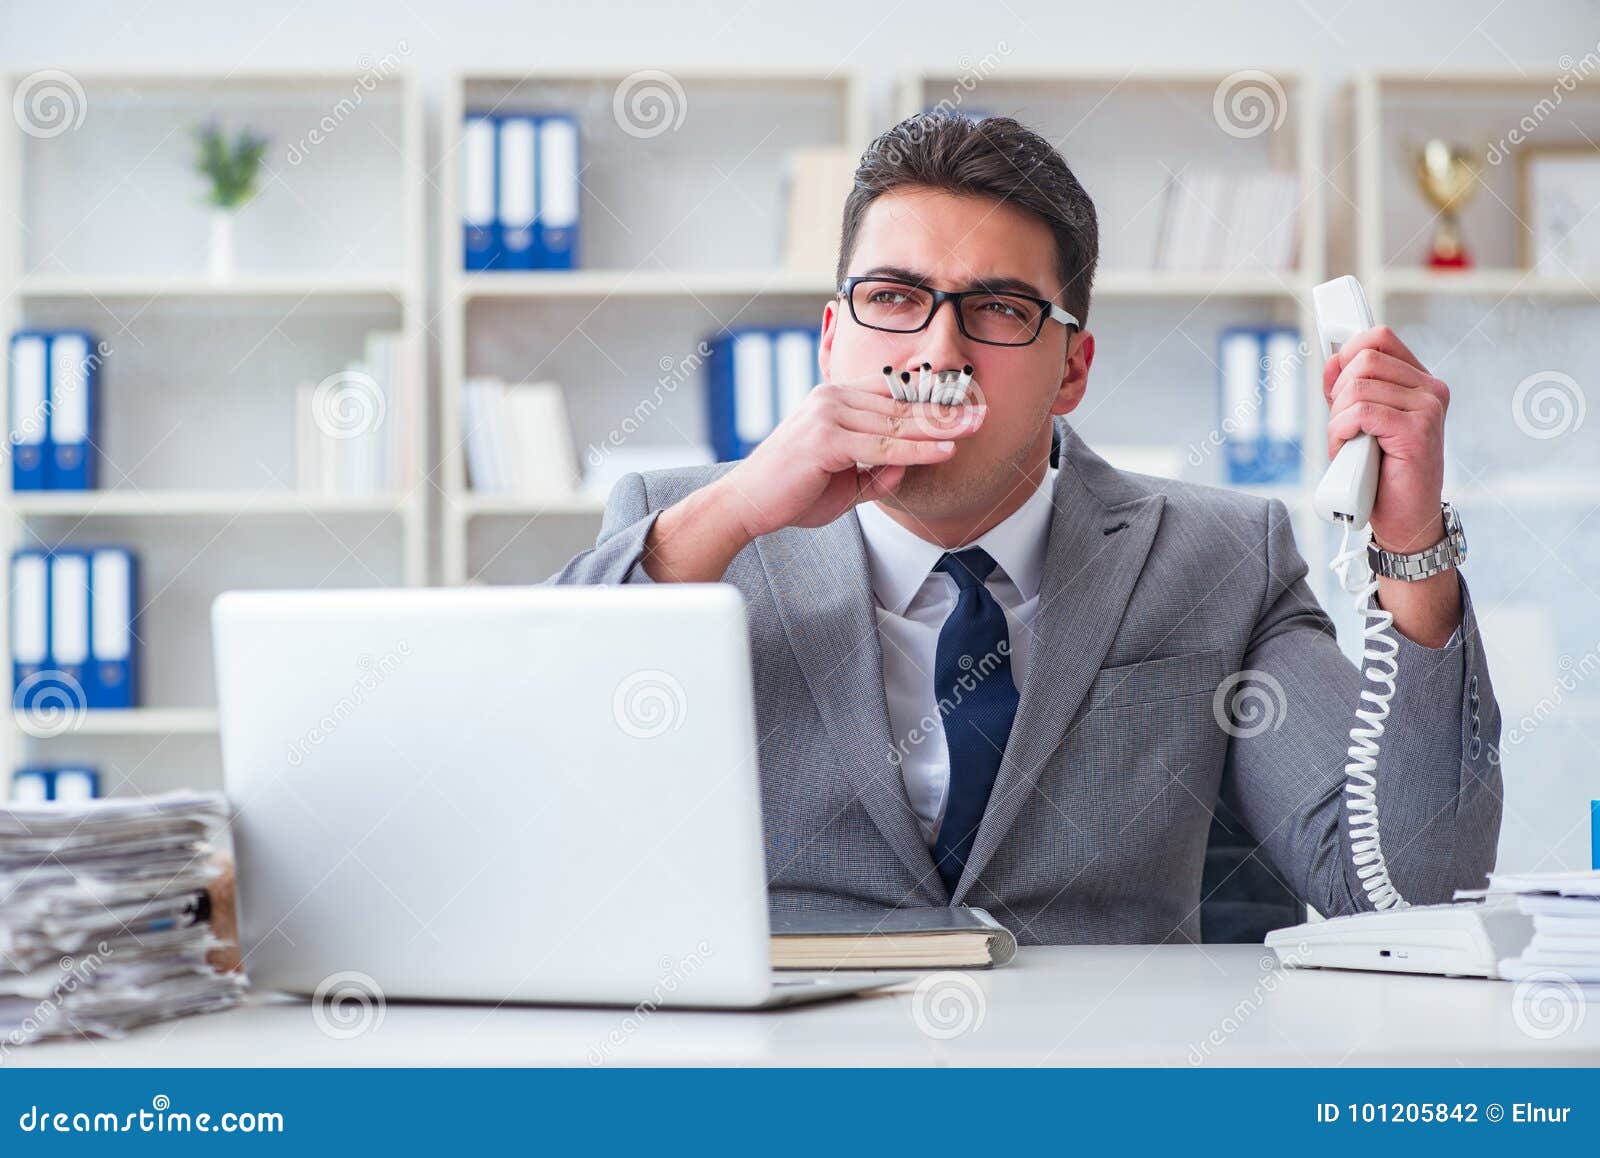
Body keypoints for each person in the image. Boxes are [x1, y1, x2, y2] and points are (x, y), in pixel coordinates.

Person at [544, 111, 1500, 945]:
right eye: (892, 299)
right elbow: (542, 783)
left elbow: (1409, 884)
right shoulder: (688, 532)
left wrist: (1411, 544)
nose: (937, 353)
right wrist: (736, 514)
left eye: (998, 310)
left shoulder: (1218, 560)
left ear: (1073, 371)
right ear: (832, 339)